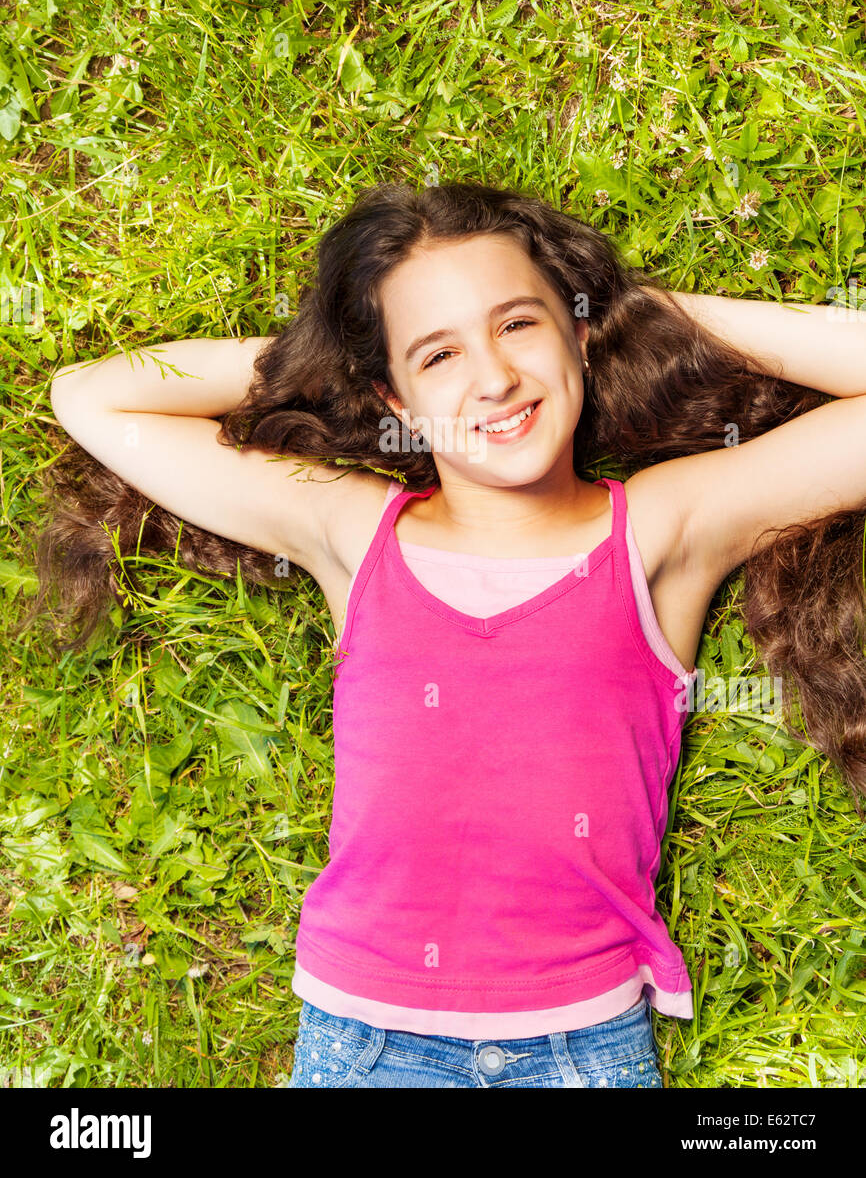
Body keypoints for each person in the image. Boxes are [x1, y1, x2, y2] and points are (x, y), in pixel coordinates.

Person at [35, 181, 866, 1088]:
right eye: (438, 355)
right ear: (392, 395)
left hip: (581, 1048)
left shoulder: (665, 530)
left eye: (520, 325)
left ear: (580, 334)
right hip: (365, 1041)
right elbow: (93, 395)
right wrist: (320, 362)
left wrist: (649, 313)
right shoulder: (354, 533)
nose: (494, 377)